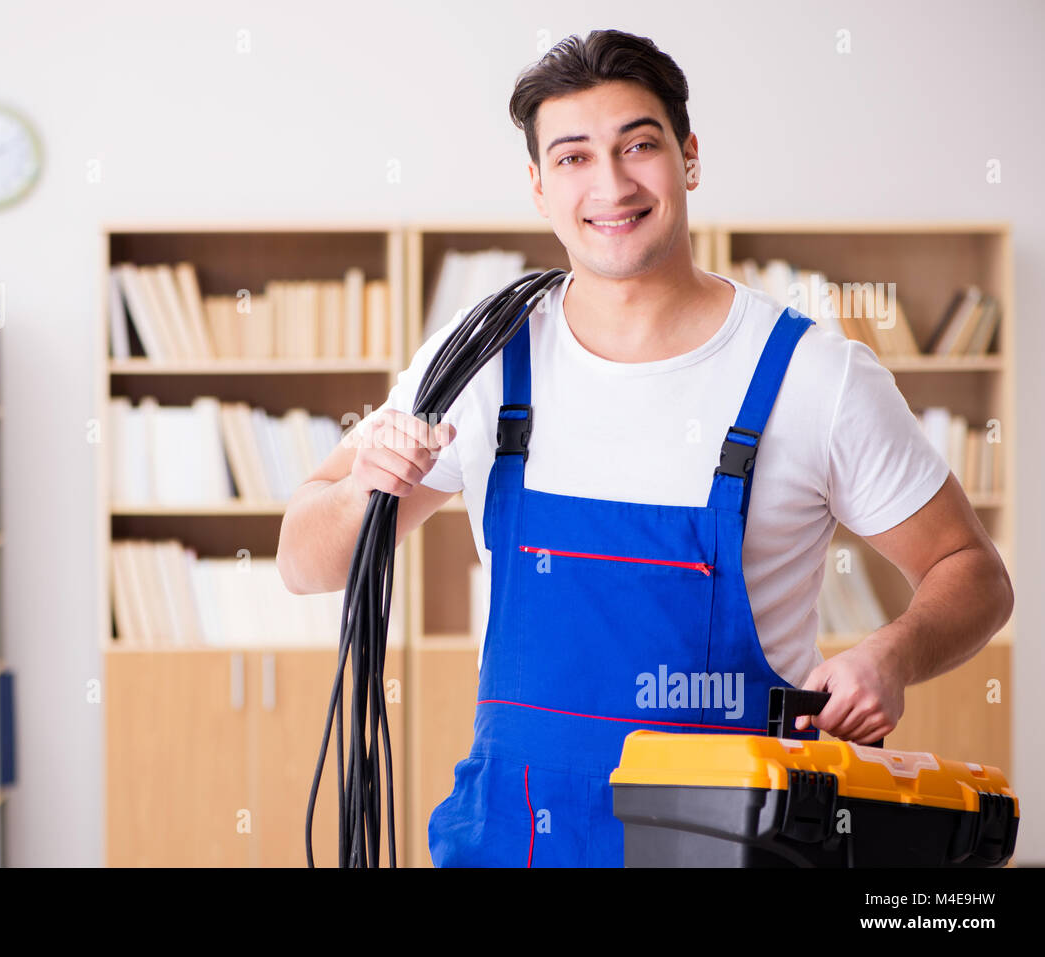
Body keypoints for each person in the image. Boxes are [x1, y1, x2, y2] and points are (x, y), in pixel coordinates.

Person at [275, 28, 1013, 867]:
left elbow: (974, 571)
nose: (612, 185)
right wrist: (360, 489)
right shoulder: (483, 360)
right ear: (539, 186)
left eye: (639, 145)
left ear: (688, 158)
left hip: (737, 844)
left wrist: (893, 653)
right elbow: (306, 560)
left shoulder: (813, 378)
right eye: (575, 158)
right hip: (512, 840)